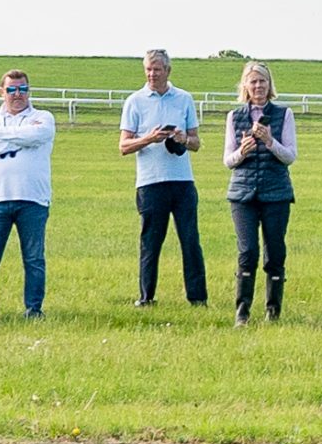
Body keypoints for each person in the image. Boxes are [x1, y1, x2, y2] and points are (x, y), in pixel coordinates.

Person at [119, 49, 207, 308]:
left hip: (182, 182)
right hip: (150, 183)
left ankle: (198, 297)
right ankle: (146, 297)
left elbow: (196, 143)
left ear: (168, 71)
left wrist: (182, 139)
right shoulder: (134, 101)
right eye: (148, 69)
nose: (152, 74)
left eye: (157, 69)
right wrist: (149, 138)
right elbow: (123, 146)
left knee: (190, 240)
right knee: (150, 242)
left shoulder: (184, 99)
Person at [0, 70, 55, 322]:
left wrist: (3, 138)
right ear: (2, 92)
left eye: (23, 89)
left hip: (33, 200)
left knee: (34, 259)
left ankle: (33, 310)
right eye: (12, 90)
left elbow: (40, 135)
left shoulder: (43, 117)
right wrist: (22, 140)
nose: (18, 95)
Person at [223, 60, 296, 326]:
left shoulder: (284, 115)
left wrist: (269, 142)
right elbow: (227, 160)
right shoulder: (234, 117)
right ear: (245, 85)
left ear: (269, 84)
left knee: (275, 252)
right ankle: (242, 312)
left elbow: (290, 156)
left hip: (276, 193)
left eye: (262, 81)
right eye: (253, 81)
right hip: (242, 195)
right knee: (247, 252)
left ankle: (273, 311)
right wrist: (242, 152)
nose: (258, 86)